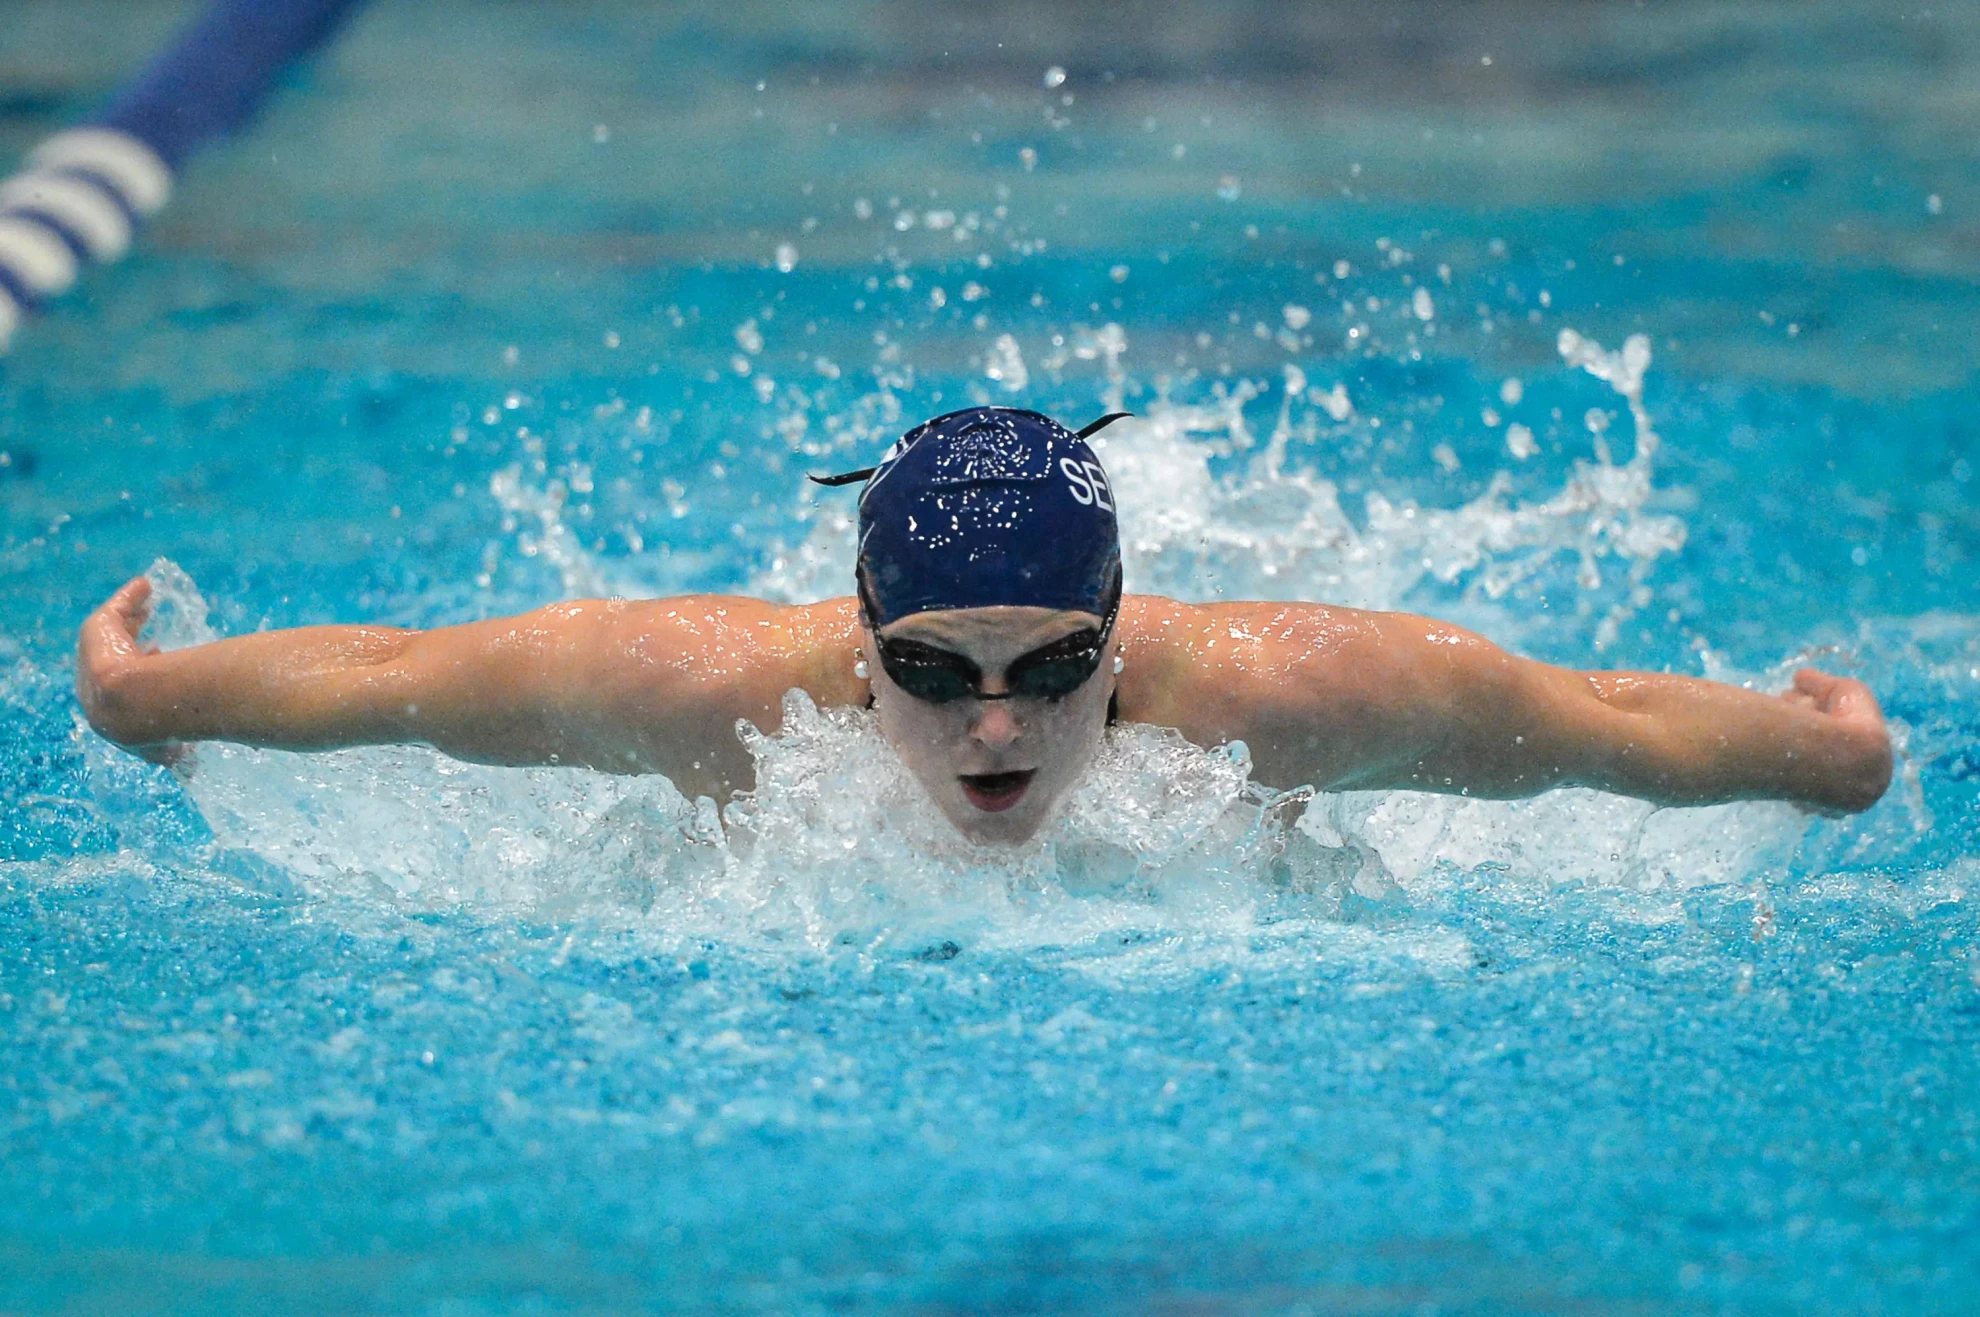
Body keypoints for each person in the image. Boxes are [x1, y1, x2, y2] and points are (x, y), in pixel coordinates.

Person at [77, 406, 1893, 845]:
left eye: (1057, 671)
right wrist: (148, 694)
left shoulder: (1304, 702)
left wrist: (1830, 758)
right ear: (859, 642)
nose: (999, 732)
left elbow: (1609, 721)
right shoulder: (697, 694)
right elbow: (396, 683)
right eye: (935, 675)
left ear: (1127, 630)